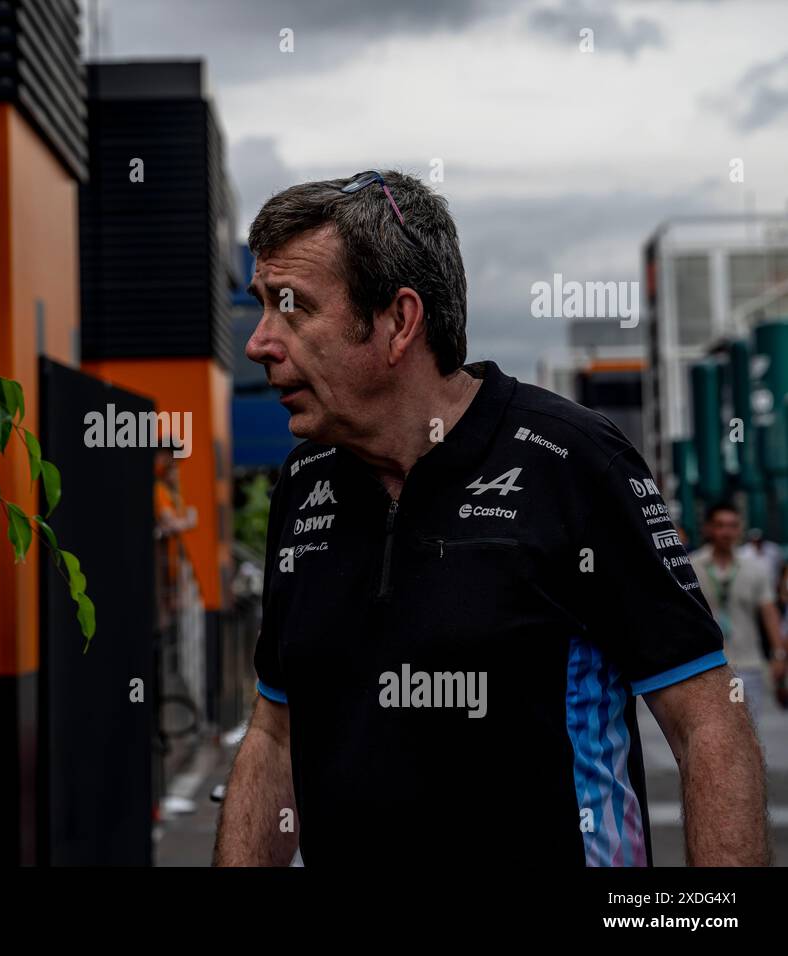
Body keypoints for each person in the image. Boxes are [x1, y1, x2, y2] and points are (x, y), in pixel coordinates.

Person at [213, 169, 770, 867]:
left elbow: (706, 719)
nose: (261, 342)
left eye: (291, 309)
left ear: (398, 322)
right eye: (261, 307)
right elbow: (276, 731)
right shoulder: (305, 482)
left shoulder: (572, 461)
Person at [691, 503, 788, 724]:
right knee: (713, 731)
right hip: (707, 665)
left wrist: (779, 655)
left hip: (748, 665)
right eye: (720, 525)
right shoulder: (693, 566)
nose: (726, 532)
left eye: (732, 525)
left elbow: (769, 612)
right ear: (708, 528)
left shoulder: (754, 567)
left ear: (739, 529)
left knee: (748, 729)